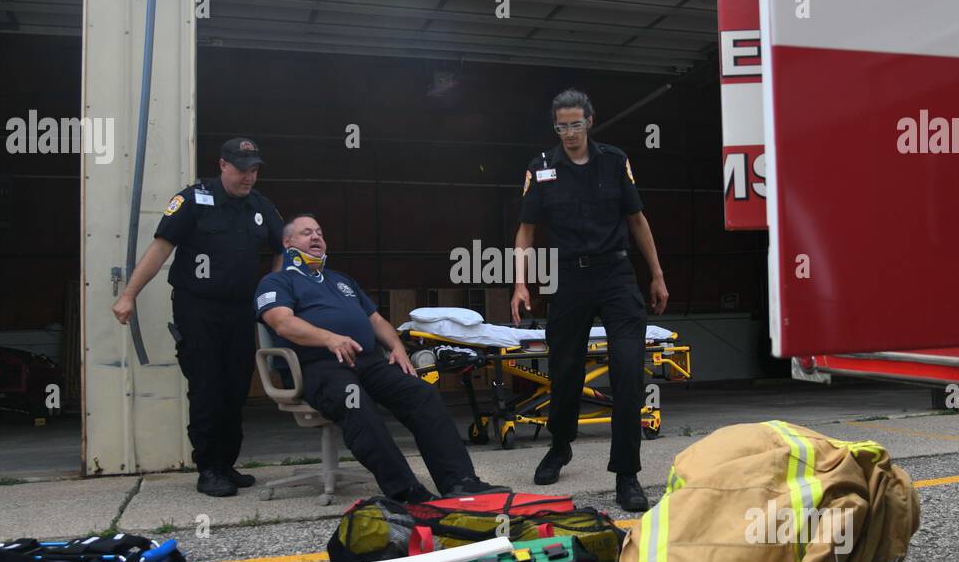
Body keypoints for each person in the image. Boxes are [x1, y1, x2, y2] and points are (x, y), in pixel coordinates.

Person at [255, 213, 497, 502]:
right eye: (307, 233)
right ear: (287, 242)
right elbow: (282, 323)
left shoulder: (340, 280)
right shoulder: (276, 282)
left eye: (319, 232)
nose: (316, 237)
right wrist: (329, 338)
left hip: (367, 360)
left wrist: (396, 346)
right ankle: (407, 493)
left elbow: (376, 320)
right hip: (319, 366)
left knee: (422, 395)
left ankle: (461, 482)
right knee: (357, 401)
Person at [511, 89, 669, 512]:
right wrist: (521, 283)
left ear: (590, 121)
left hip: (616, 274)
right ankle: (560, 445)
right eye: (561, 126)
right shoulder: (541, 167)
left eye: (575, 124)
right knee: (564, 370)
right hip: (566, 277)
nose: (568, 133)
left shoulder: (614, 161)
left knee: (627, 368)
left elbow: (637, 219)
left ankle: (627, 474)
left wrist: (656, 274)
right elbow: (526, 230)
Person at [112, 137, 285, 497]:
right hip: (198, 309)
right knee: (207, 387)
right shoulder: (193, 200)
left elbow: (283, 250)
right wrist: (129, 295)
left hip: (240, 310)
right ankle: (208, 468)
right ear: (222, 165)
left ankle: (227, 464)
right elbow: (160, 247)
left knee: (236, 387)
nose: (248, 177)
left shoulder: (261, 206)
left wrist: (273, 291)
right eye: (241, 169)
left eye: (254, 170)